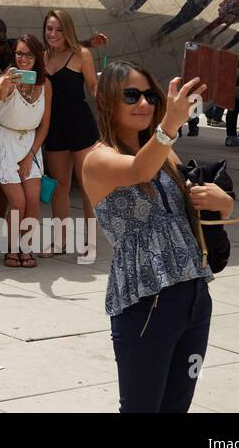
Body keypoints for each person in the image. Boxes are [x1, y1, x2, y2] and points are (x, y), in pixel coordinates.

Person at [83, 62, 227, 412]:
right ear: (107, 101)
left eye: (150, 95)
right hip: (146, 300)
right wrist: (170, 124)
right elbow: (137, 170)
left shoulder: (163, 151)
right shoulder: (98, 159)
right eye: (131, 95)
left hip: (194, 294)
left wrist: (222, 203)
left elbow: (187, 210)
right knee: (141, 407)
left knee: (177, 406)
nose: (143, 103)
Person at [0, 34, 51, 268]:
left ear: (37, 57)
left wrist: (30, 155)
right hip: (4, 142)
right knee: (18, 202)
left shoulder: (45, 84)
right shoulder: (5, 79)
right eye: (19, 53)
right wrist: (5, 84)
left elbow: (45, 124)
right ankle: (11, 249)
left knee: (33, 200)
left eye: (29, 54)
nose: (23, 59)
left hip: (30, 145)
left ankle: (25, 248)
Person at [42, 10, 102, 257]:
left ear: (68, 31)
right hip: (54, 126)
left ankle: (91, 241)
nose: (53, 34)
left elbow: (93, 86)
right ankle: (60, 241)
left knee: (87, 186)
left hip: (80, 125)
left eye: (58, 29)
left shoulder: (81, 55)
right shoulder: (42, 56)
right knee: (60, 186)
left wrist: (109, 99)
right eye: (49, 29)